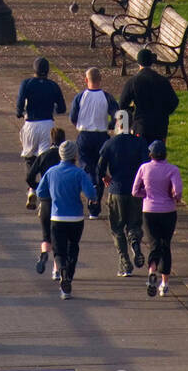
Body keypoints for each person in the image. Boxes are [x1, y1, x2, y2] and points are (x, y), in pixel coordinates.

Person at [36, 140, 96, 299]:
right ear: (74, 155)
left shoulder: (51, 172)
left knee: (59, 251)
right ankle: (68, 276)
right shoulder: (79, 173)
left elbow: (40, 192)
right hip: (76, 218)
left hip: (57, 217)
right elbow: (90, 193)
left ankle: (61, 272)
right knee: (73, 248)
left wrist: (52, 195)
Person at [97, 117, 149, 276]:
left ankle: (125, 262)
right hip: (135, 190)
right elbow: (146, 163)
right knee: (134, 224)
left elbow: (99, 167)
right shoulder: (139, 142)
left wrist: (104, 176)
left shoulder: (110, 143)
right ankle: (134, 241)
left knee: (117, 227)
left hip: (116, 189)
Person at [131, 140, 183, 297]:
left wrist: (145, 195)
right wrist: (174, 198)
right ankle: (164, 282)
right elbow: (178, 191)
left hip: (149, 211)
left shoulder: (144, 168)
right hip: (168, 211)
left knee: (154, 244)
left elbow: (135, 191)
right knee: (165, 245)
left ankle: (152, 269)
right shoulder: (172, 170)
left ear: (150, 154)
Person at [16, 56, 66, 209]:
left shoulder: (27, 84)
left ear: (34, 70)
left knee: (29, 157)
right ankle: (45, 195)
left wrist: (20, 112)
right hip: (47, 125)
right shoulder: (53, 86)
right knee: (45, 159)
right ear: (48, 71)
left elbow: (19, 105)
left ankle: (32, 189)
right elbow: (62, 108)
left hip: (31, 124)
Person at [69, 67, 119, 218]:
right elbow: (116, 115)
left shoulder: (80, 97)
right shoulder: (107, 97)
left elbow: (73, 117)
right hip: (101, 136)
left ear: (86, 80)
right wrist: (109, 125)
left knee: (86, 167)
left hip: (84, 135)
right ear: (100, 79)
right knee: (100, 168)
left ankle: (91, 190)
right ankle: (95, 206)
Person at [118, 47, 179, 146]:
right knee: (158, 156)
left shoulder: (133, 81)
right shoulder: (163, 80)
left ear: (138, 63)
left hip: (141, 126)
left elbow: (122, 104)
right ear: (151, 62)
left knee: (142, 157)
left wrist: (132, 110)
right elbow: (174, 101)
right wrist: (164, 113)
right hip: (160, 126)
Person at [26, 125, 65, 278]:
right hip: (61, 200)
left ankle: (43, 253)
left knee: (46, 234)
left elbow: (29, 177)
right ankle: (56, 270)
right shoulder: (65, 157)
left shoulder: (44, 155)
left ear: (51, 139)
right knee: (60, 236)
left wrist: (37, 187)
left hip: (45, 199)